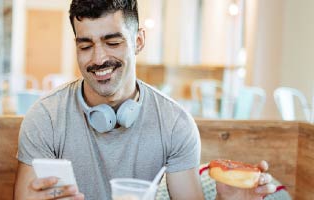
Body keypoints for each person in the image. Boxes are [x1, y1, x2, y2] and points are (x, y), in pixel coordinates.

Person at [14, 0, 276, 199]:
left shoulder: (175, 123)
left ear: (138, 41)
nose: (97, 58)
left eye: (112, 42)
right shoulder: (45, 118)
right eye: (85, 46)